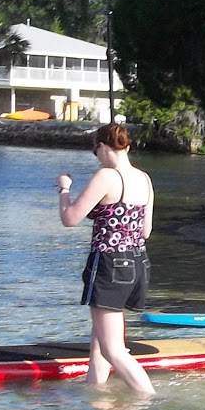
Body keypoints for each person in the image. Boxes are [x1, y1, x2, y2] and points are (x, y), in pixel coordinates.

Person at [56, 122, 155, 395]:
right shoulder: (144, 179)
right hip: (137, 263)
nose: (97, 157)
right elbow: (145, 230)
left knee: (113, 350)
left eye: (96, 151)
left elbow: (70, 218)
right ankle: (94, 393)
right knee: (101, 337)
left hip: (110, 263)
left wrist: (64, 189)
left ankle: (150, 399)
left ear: (102, 147)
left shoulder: (106, 177)